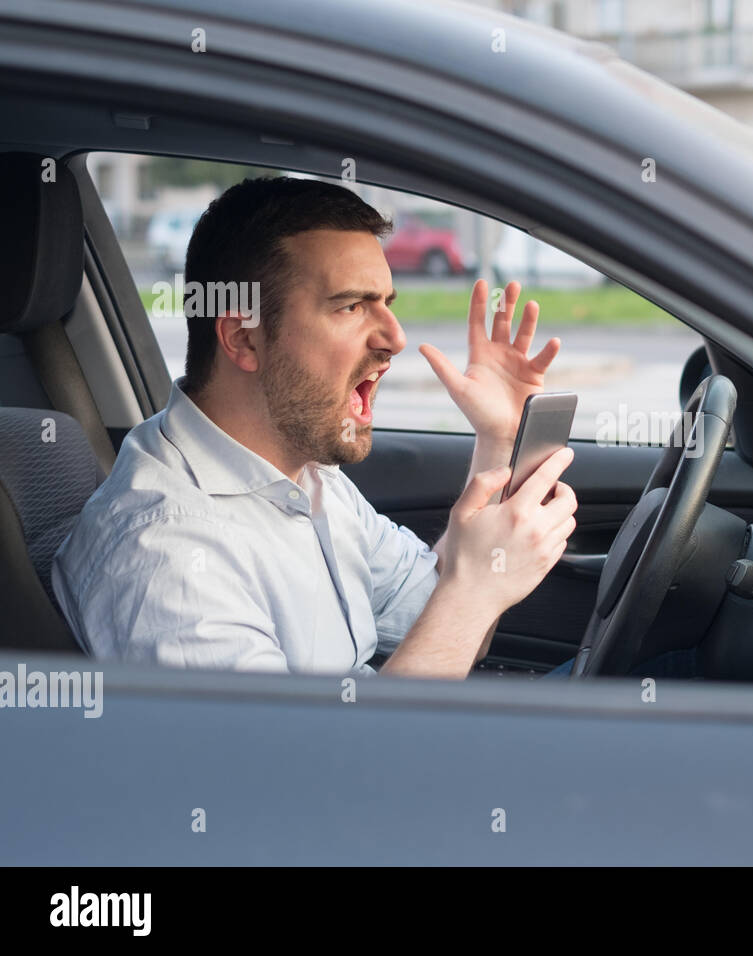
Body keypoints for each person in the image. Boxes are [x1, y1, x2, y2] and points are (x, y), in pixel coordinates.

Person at [52, 176, 577, 680]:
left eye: (386, 304)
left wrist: (497, 442)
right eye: (351, 305)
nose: (395, 337)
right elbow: (312, 772)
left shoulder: (306, 476)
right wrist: (473, 592)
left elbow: (445, 623)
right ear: (243, 339)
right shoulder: (167, 556)